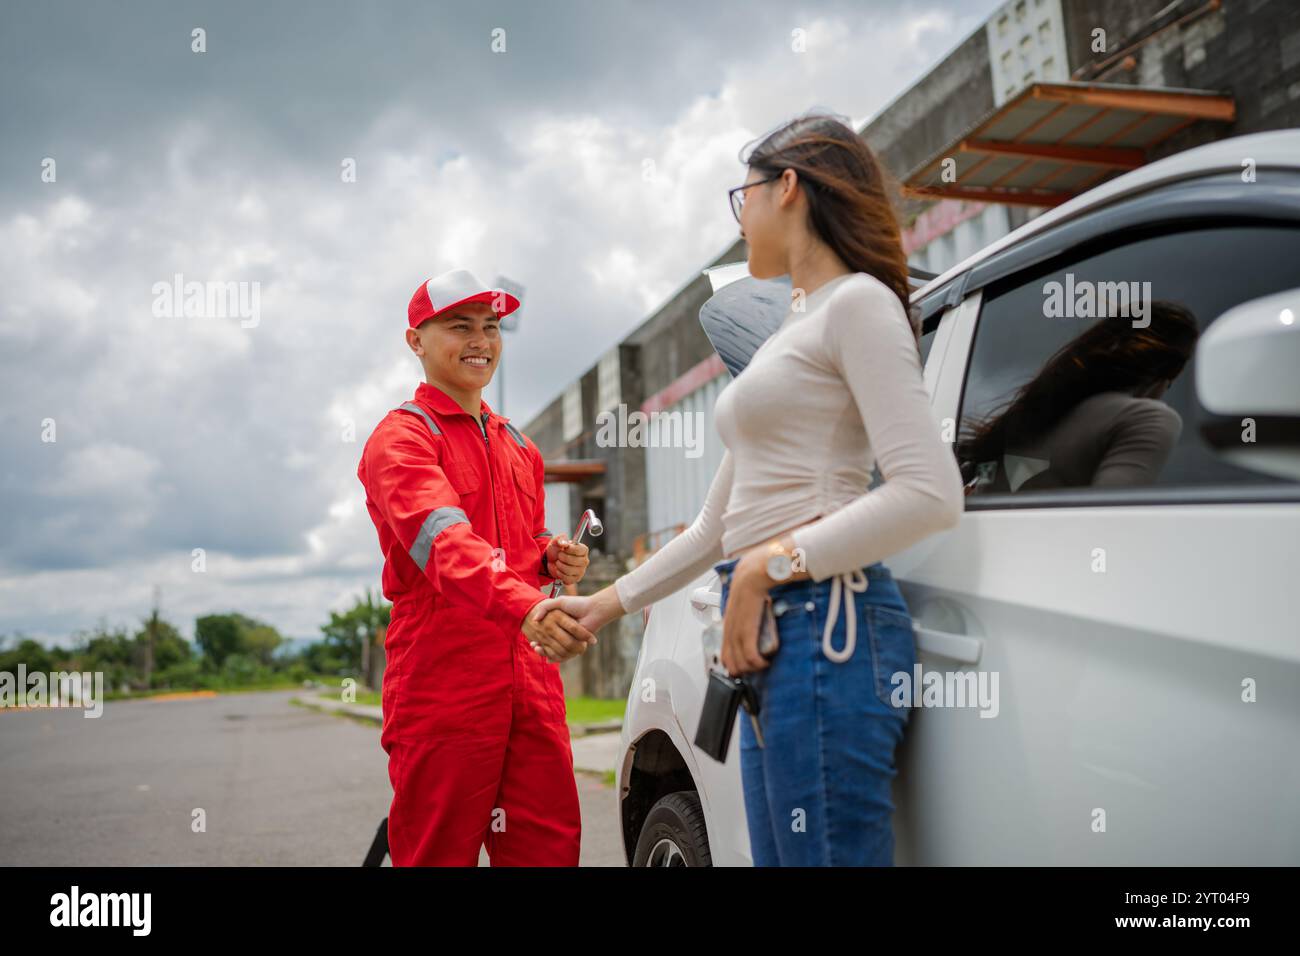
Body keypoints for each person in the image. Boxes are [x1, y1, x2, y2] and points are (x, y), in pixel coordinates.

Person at [530, 114, 964, 866]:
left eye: (745, 196)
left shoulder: (859, 303)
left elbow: (930, 492)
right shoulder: (791, 333)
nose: (740, 220)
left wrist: (766, 567)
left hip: (827, 626)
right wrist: (600, 606)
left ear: (787, 187)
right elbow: (713, 530)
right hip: (769, 641)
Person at [357, 268, 595, 866]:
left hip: (531, 679)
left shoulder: (520, 445)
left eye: (490, 327)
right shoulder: (401, 440)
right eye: (460, 327)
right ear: (416, 340)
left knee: (548, 852)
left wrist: (550, 555)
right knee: (437, 854)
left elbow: (525, 539)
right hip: (444, 678)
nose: (480, 341)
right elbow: (444, 545)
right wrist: (527, 606)